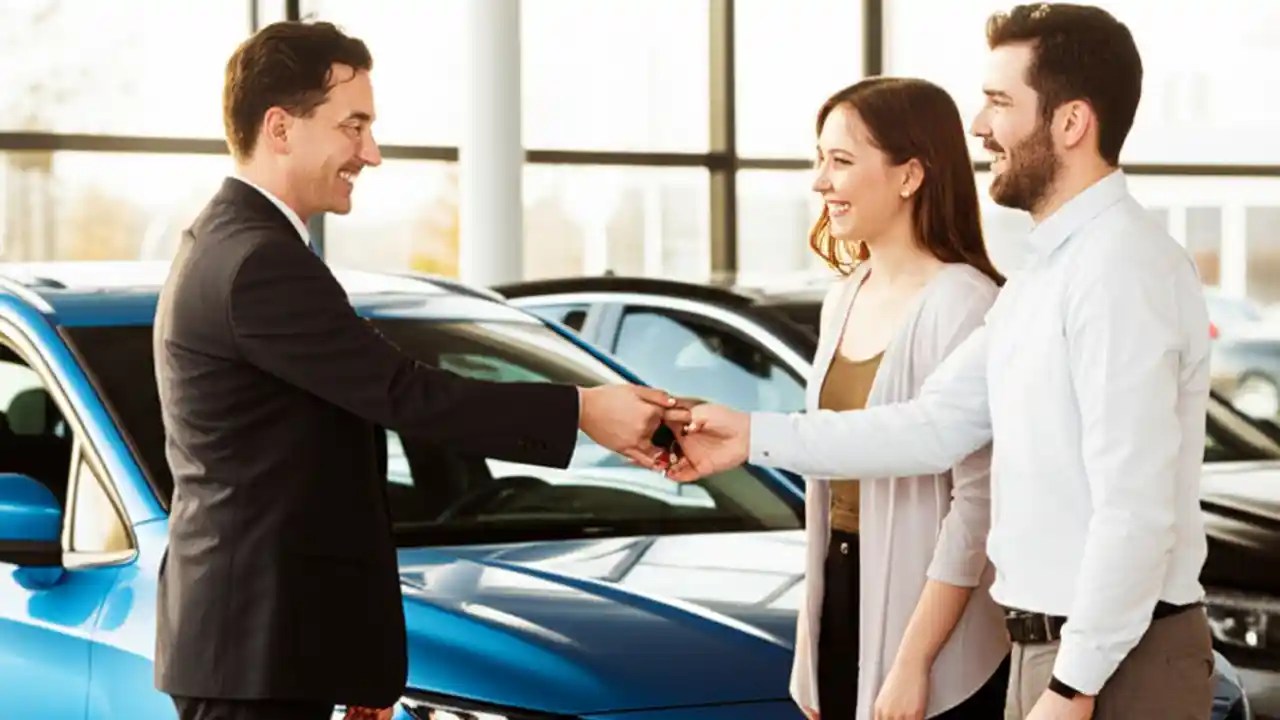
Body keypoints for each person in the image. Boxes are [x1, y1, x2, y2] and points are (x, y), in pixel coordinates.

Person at [666, 5, 1214, 720]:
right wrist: (749, 435)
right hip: (1054, 651)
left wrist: (1074, 685)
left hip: (1112, 661)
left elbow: (1134, 511)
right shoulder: (1049, 271)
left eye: (998, 103)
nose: (980, 128)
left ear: (1071, 123)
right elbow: (931, 426)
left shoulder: (1120, 270)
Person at [153, 21, 687, 720]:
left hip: (271, 651)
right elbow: (406, 395)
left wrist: (353, 665)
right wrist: (585, 410)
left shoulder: (235, 244)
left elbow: (321, 457)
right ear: (280, 128)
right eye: (354, 126)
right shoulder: (257, 261)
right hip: (257, 656)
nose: (370, 154)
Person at [781, 77, 1011, 720]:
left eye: (842, 161)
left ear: (910, 175)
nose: (820, 182)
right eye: (819, 159)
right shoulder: (845, 294)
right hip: (843, 587)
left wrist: (913, 664)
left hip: (931, 624)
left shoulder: (965, 301)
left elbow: (977, 505)